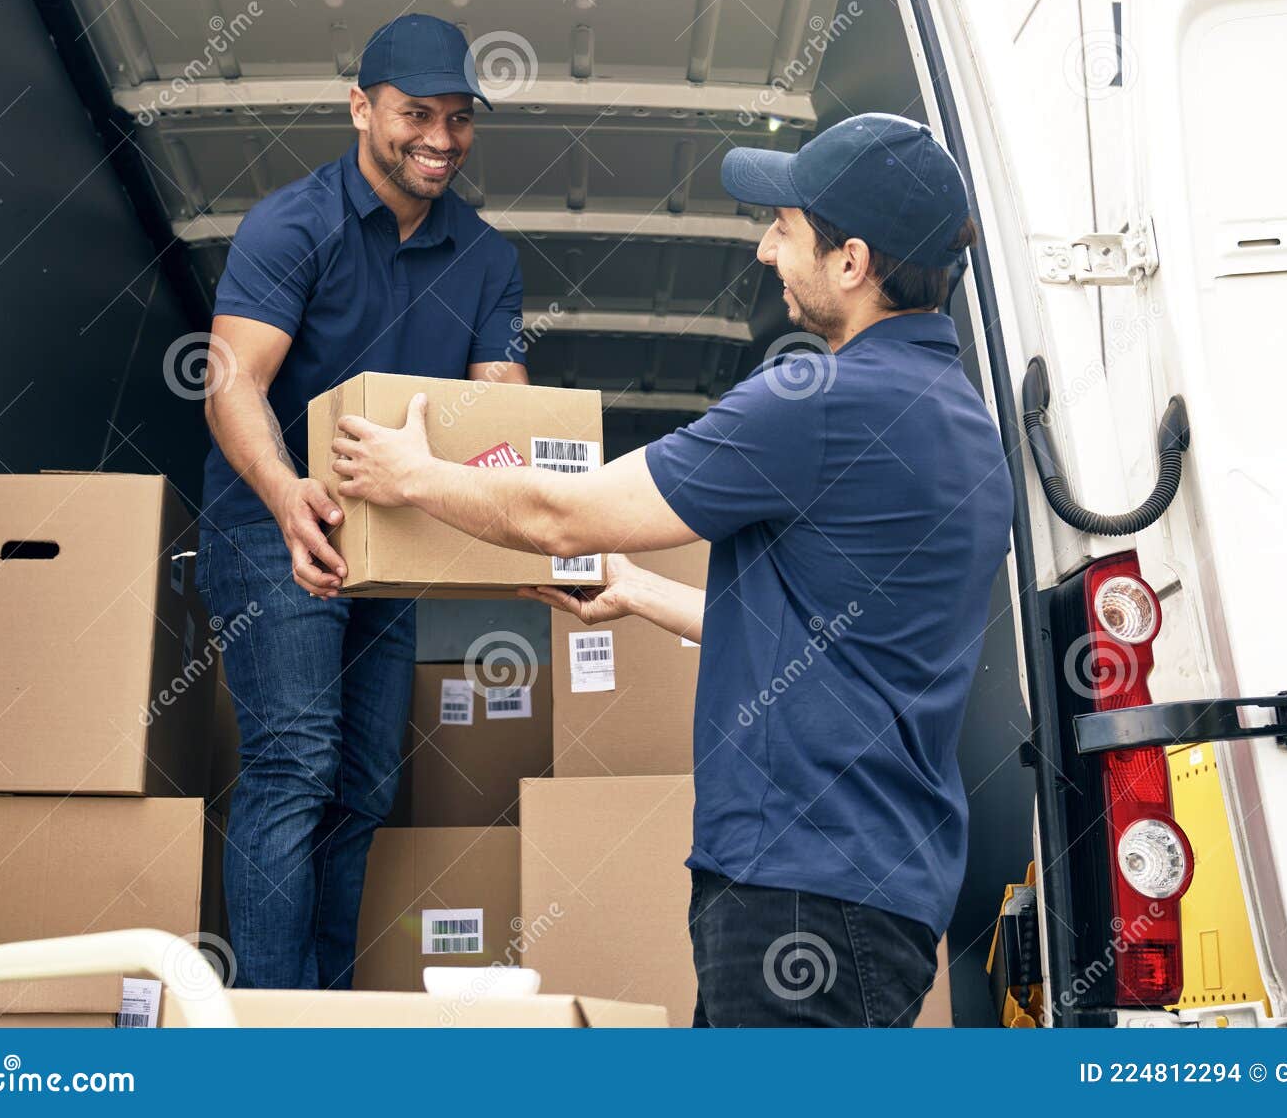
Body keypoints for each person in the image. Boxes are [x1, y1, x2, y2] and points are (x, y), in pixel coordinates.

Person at [328, 113, 1013, 1026]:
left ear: (852, 261)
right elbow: (843, 642)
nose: (769, 248)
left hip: (792, 892)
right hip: (883, 894)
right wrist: (645, 593)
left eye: (787, 225)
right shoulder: (968, 430)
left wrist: (415, 476)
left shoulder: (819, 405)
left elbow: (560, 511)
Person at [196, 13, 528, 989]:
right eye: (415, 113)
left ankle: (323, 1015)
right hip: (272, 521)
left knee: (365, 784)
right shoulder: (293, 224)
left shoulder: (486, 256)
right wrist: (288, 491)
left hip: (394, 533)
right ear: (359, 106)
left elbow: (498, 411)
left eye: (459, 118)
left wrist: (528, 526)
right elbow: (230, 382)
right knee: (296, 767)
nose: (440, 137)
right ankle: (265, 1026)